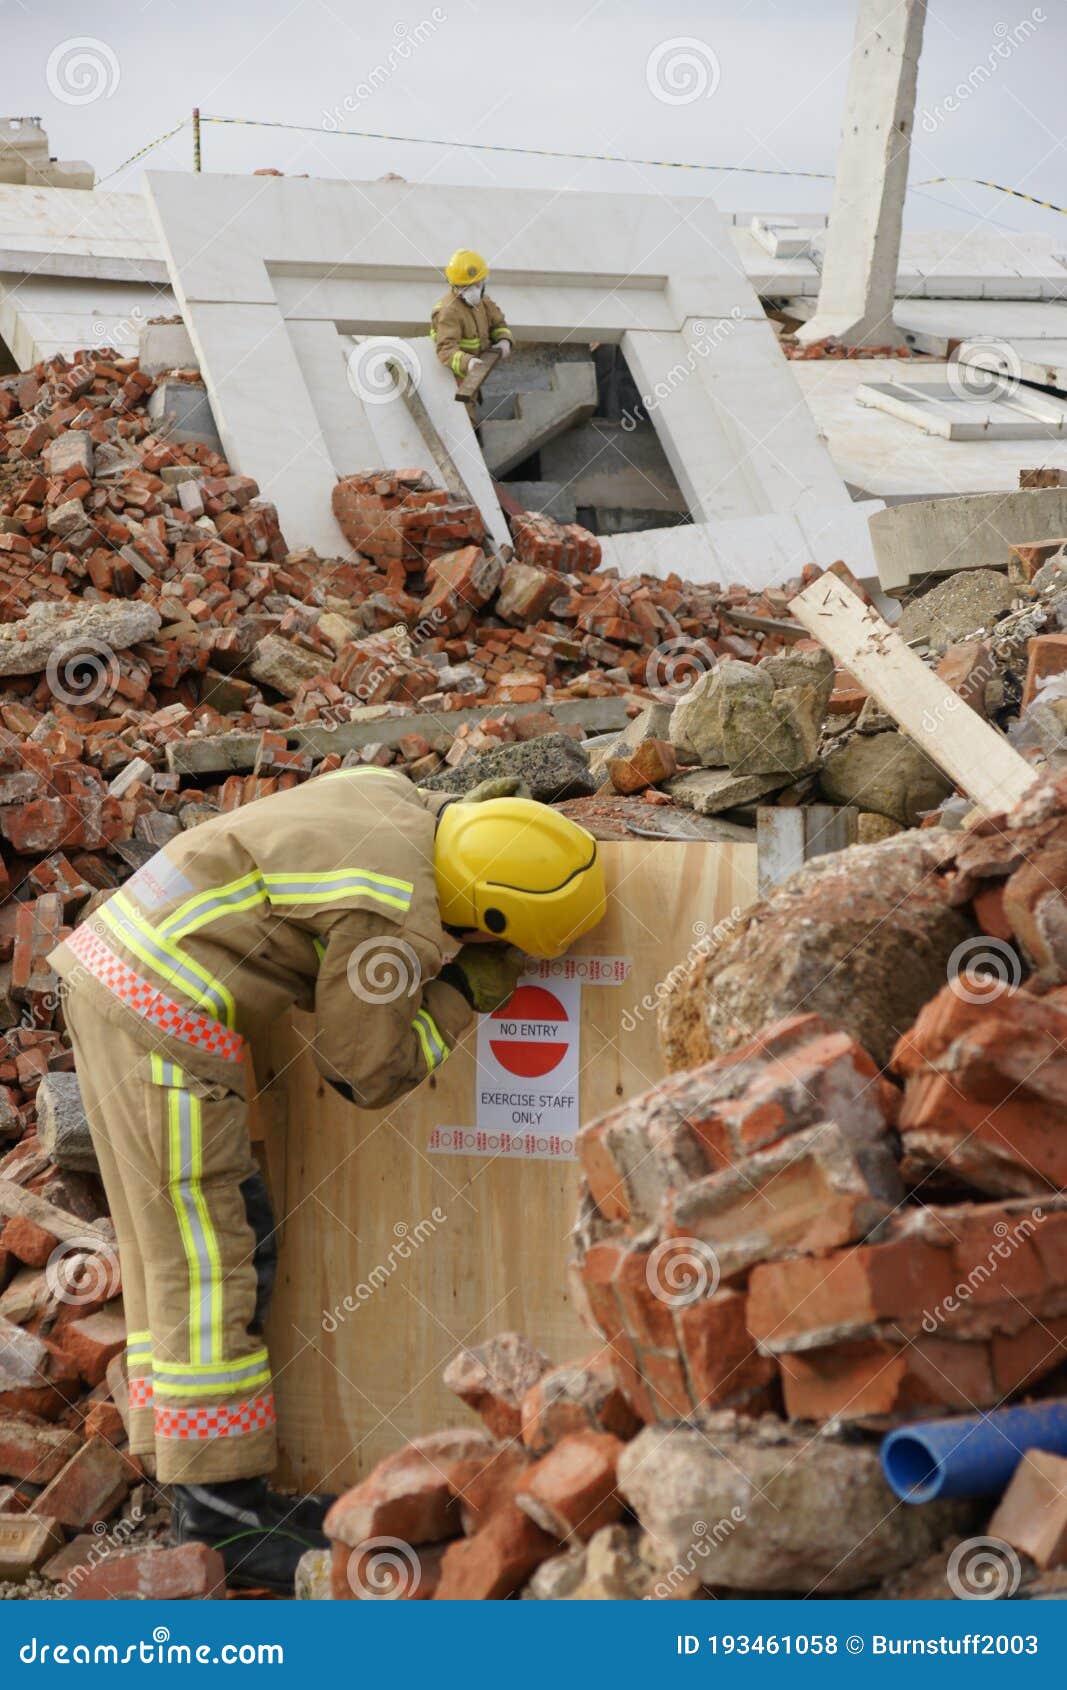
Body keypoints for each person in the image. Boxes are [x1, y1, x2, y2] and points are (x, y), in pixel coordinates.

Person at [49, 769, 605, 1590]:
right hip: (161, 1018)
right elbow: (364, 1069)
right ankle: (220, 1507)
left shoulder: (393, 796)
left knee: (193, 1239)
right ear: (485, 916)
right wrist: (464, 990)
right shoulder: (386, 917)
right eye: (493, 937)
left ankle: (185, 1465)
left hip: (118, 967)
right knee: (208, 1260)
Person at [431, 248, 514, 383]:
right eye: (466, 287)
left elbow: (498, 325)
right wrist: (467, 363)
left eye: (477, 284)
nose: (474, 291)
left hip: (478, 368)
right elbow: (446, 349)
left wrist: (504, 340)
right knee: (462, 403)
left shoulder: (484, 302)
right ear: (455, 286)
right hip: (455, 376)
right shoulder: (448, 311)